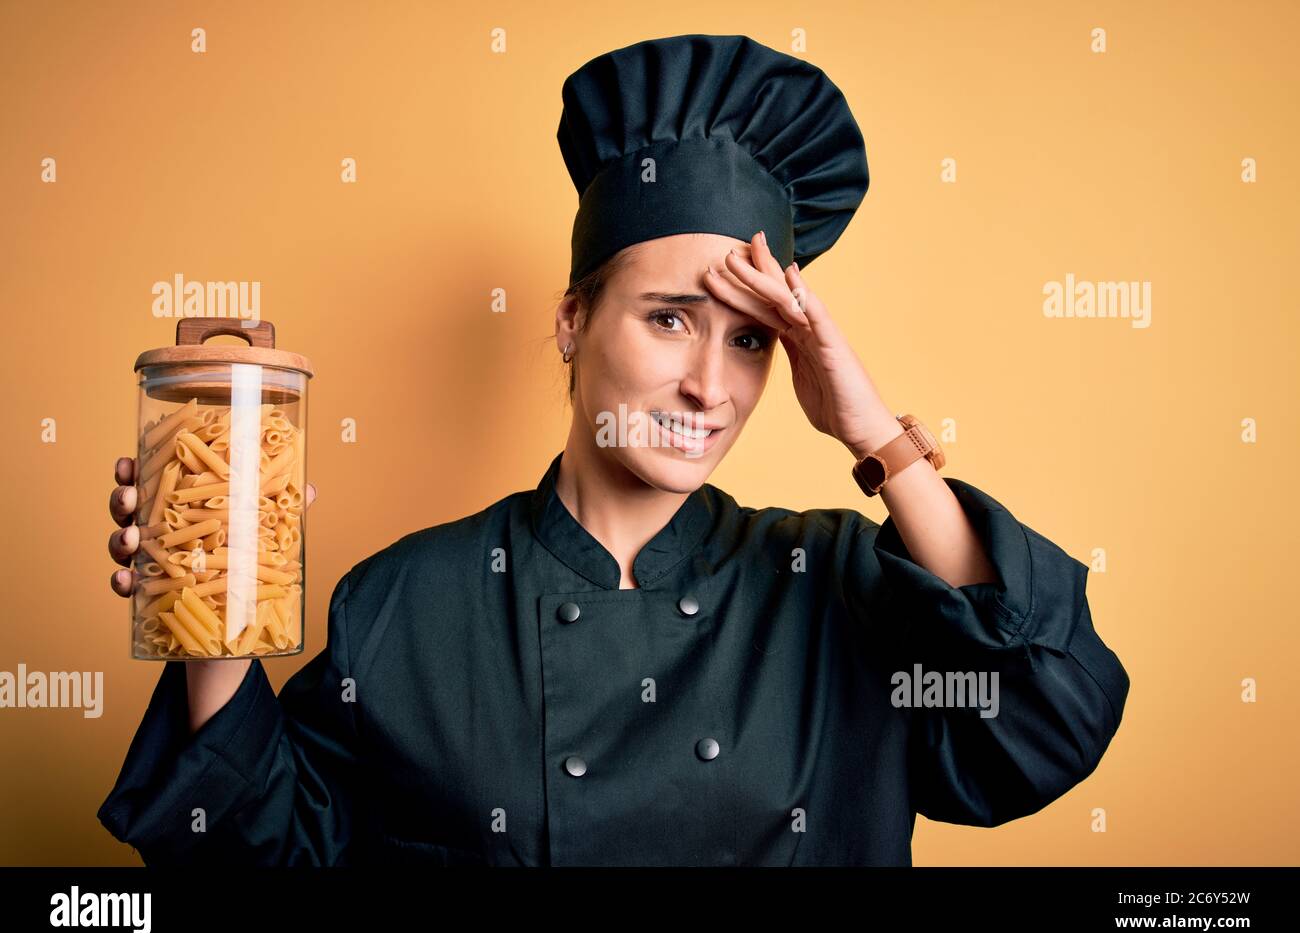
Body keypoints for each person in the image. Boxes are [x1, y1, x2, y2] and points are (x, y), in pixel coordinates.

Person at [99, 34, 1129, 866]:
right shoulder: (407, 603)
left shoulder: (842, 590)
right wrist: (217, 587)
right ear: (569, 321)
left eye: (752, 339)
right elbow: (259, 854)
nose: (711, 387)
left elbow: (1044, 720)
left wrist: (878, 439)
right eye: (670, 318)